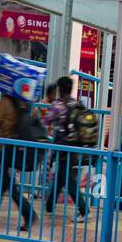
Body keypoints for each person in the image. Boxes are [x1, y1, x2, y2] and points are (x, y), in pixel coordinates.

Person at [0, 88, 38, 231]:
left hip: (6, 146)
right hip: (14, 146)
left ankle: (29, 214)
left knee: (9, 184)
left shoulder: (6, 102)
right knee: (2, 181)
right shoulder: (22, 102)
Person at [43, 75, 90, 220]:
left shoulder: (57, 105)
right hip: (76, 146)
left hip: (62, 146)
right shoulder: (77, 104)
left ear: (59, 89)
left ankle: (84, 210)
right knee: (62, 175)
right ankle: (50, 205)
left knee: (68, 179)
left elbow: (45, 121)